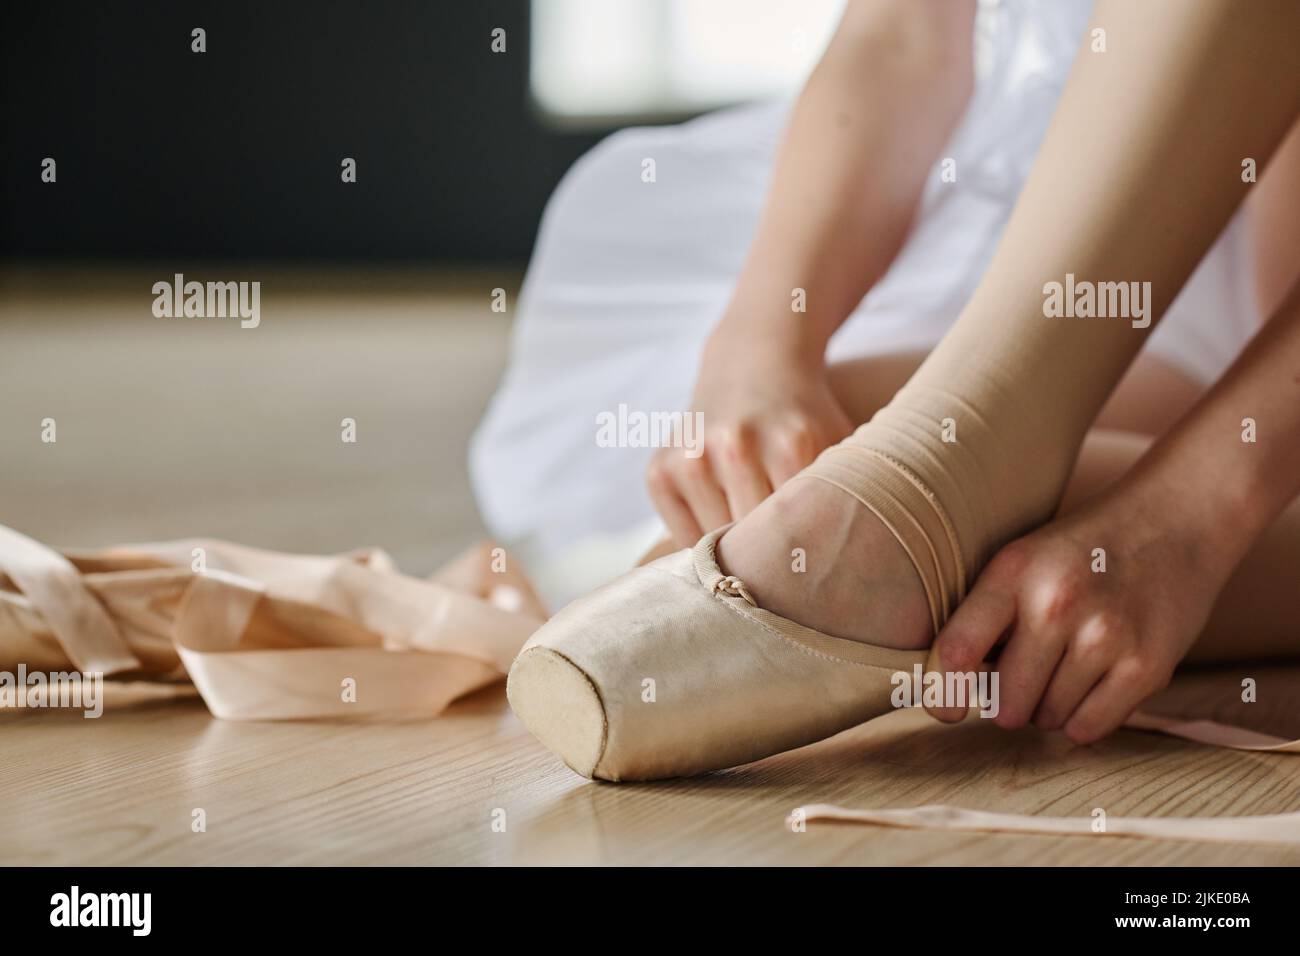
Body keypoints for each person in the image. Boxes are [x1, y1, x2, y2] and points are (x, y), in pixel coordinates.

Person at [482, 0, 1300, 780]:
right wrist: (761, 344)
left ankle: (946, 493)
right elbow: (902, 30)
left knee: (858, 505)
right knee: (810, 445)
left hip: (1234, 273)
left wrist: (1194, 510)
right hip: (1049, 236)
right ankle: (950, 487)